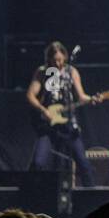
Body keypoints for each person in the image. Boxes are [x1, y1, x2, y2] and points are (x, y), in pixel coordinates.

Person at [26, 41, 96, 186]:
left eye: (60, 59)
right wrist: (43, 110)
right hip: (49, 124)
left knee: (83, 164)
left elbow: (81, 96)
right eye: (55, 60)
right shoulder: (42, 72)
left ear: (64, 56)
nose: (58, 63)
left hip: (68, 124)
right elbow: (30, 95)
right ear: (49, 59)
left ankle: (92, 195)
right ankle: (30, 194)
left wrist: (92, 99)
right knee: (38, 162)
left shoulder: (71, 72)